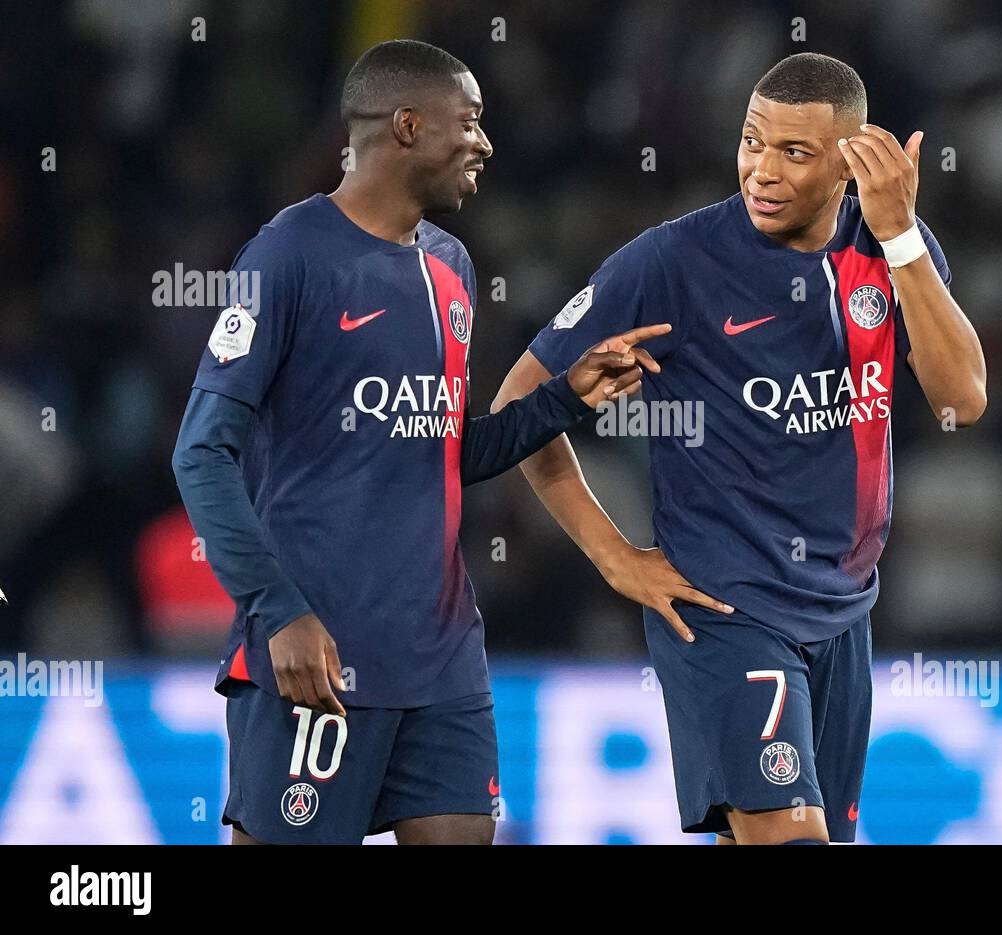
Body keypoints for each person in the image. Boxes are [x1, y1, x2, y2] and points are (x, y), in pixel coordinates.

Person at [172, 39, 664, 845]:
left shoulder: (452, 266)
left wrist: (565, 398)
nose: (485, 143)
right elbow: (200, 450)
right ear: (407, 126)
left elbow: (444, 450)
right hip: (315, 647)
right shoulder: (288, 255)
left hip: (441, 660)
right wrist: (278, 610)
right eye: (468, 123)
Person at [494, 52, 985, 844]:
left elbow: (962, 397)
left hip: (843, 613)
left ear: (851, 160)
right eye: (752, 141)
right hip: (725, 608)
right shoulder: (674, 261)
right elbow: (519, 398)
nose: (761, 169)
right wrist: (614, 555)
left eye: (794, 152)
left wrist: (900, 238)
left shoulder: (887, 246)